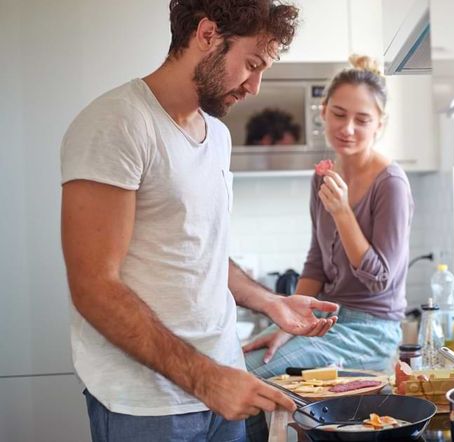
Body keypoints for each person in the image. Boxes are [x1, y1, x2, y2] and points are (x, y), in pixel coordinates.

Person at [59, 1, 339, 441]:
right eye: (251, 64)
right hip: (148, 405)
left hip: (224, 391)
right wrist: (208, 380)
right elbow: (94, 286)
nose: (255, 87)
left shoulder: (218, 136)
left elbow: (198, 252)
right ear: (207, 35)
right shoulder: (117, 123)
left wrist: (270, 302)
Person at [242, 54, 414, 439]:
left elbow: (379, 282)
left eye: (362, 119)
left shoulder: (391, 184)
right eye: (338, 114)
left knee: (245, 377)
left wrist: (342, 212)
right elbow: (317, 262)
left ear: (380, 124)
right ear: (323, 112)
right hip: (324, 323)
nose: (348, 128)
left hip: (370, 333)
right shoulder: (322, 177)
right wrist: (287, 322)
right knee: (236, 365)